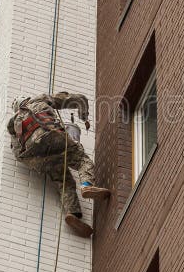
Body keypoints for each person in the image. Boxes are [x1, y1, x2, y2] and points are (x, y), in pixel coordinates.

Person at [7, 92, 111, 237]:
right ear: (27, 100)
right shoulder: (40, 100)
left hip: (37, 156)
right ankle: (87, 185)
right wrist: (84, 117)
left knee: (63, 181)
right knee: (81, 159)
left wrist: (36, 163)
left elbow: (18, 154)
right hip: (52, 136)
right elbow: (76, 99)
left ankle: (72, 213)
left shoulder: (13, 125)